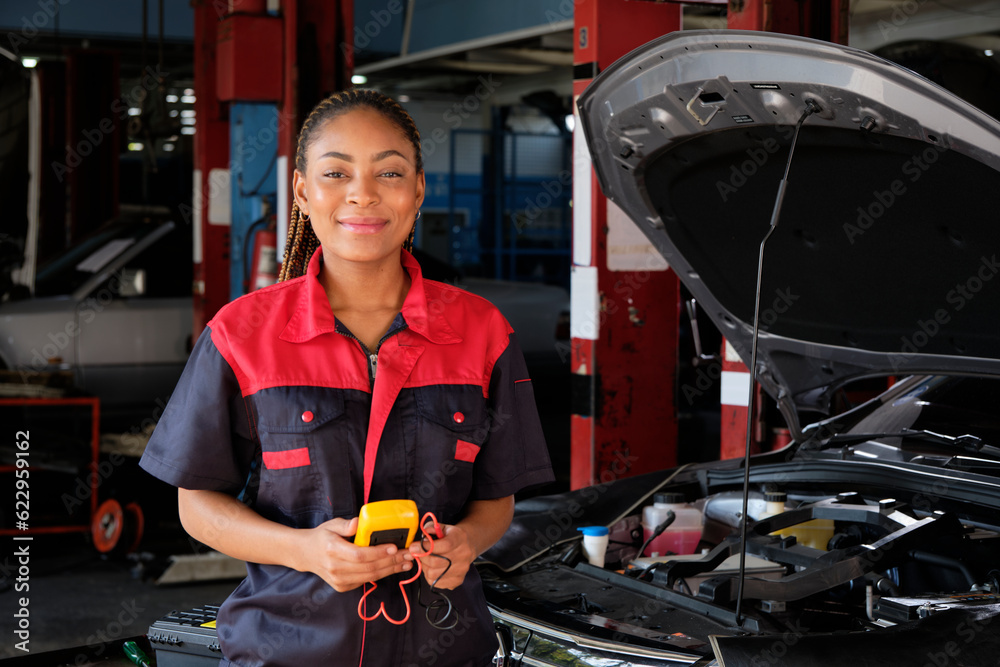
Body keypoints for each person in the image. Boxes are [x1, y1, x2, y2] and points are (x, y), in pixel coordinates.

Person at [139, 89, 554, 666]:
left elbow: (496, 502)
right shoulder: (241, 335)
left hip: (443, 647)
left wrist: (466, 543)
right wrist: (306, 551)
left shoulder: (483, 332)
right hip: (288, 650)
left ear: (418, 191)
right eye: (337, 172)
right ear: (304, 192)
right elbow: (197, 505)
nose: (363, 192)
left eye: (389, 172)